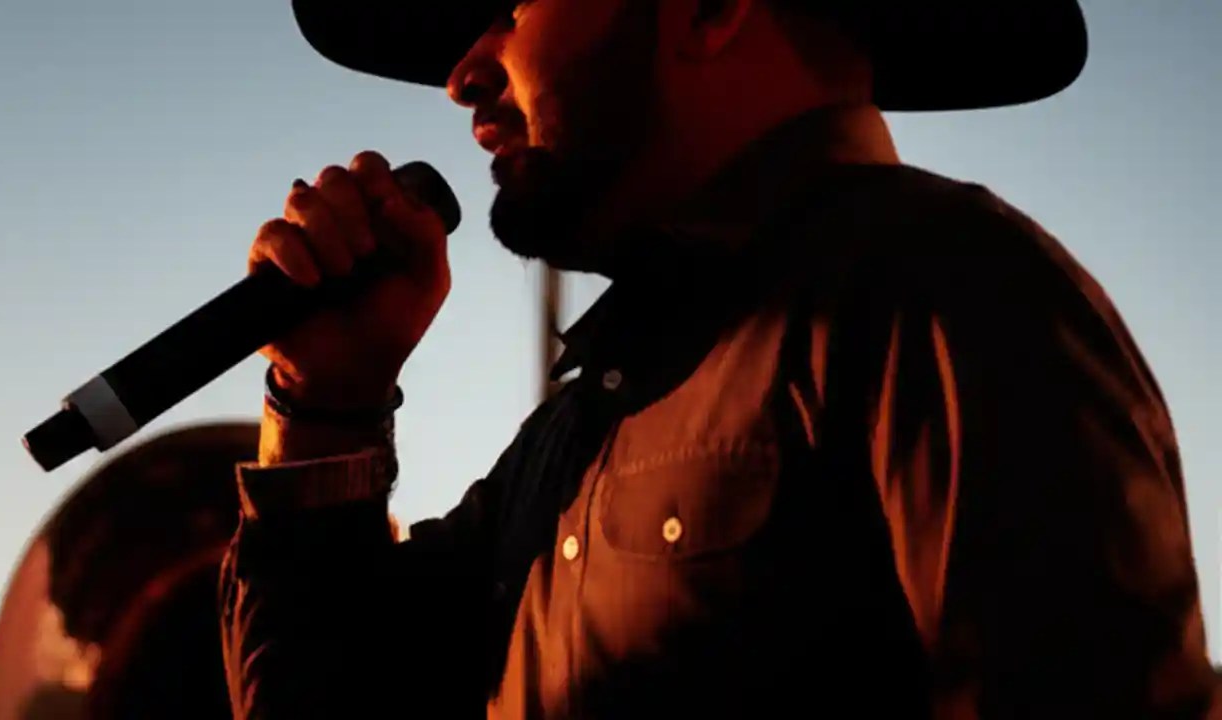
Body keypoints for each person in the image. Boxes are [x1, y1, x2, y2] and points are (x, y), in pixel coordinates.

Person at [217, 0, 1221, 717]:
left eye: (510, 6)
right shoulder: (580, 427)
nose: (462, 74)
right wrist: (325, 402)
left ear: (706, 8)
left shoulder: (937, 289)